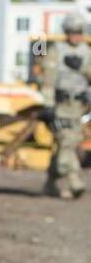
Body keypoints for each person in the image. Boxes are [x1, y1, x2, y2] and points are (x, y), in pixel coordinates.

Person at [38, 12, 90, 199]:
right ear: (67, 32)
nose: (76, 36)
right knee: (67, 141)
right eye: (72, 32)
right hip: (60, 107)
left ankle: (50, 183)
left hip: (78, 108)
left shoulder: (86, 52)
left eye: (79, 32)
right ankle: (74, 180)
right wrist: (48, 105)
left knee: (68, 144)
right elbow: (48, 81)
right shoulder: (56, 51)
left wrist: (83, 69)